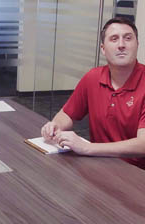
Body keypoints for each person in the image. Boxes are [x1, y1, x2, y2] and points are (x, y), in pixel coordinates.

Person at [41, 17, 145, 169]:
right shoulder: (93, 77)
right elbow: (67, 114)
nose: (121, 45)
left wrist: (87, 148)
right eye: (114, 39)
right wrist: (56, 125)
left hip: (136, 173)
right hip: (98, 164)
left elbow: (143, 144)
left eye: (128, 39)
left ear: (137, 45)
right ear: (103, 48)